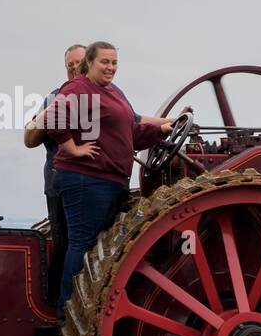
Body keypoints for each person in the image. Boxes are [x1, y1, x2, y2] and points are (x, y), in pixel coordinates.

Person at [48, 42, 175, 317]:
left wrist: (163, 130)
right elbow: (54, 118)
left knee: (97, 248)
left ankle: (87, 309)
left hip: (111, 180)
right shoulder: (79, 88)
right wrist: (73, 148)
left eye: (114, 63)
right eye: (104, 62)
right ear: (90, 63)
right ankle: (67, 312)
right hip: (87, 180)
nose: (111, 68)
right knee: (82, 244)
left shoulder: (112, 92)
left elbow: (130, 133)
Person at [25, 44, 85, 300]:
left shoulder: (108, 96)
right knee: (65, 244)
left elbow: (132, 121)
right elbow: (30, 138)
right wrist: (48, 112)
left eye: (79, 62)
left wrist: (165, 124)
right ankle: (58, 303)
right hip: (60, 183)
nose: (74, 67)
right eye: (70, 64)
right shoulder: (55, 98)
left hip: (95, 182)